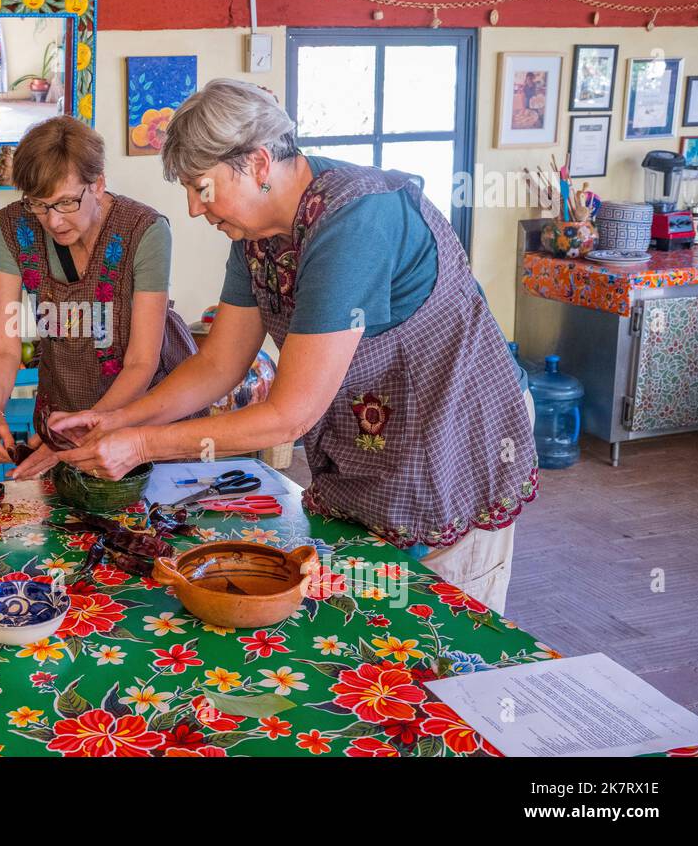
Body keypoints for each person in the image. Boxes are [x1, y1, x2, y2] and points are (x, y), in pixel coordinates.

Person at [53, 78, 536, 615]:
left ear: (259, 163)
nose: (193, 208)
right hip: (379, 437)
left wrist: (142, 446)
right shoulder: (254, 232)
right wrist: (118, 421)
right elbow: (218, 364)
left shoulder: (355, 221)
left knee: (442, 626)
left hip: (456, 431)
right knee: (373, 615)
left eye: (202, 188)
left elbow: (288, 417)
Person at [0, 116, 199, 480]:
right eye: (39, 204)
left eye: (65, 203)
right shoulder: (13, 227)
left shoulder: (145, 231)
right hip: (63, 407)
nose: (53, 221)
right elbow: (3, 345)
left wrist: (81, 432)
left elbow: (141, 362)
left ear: (98, 184)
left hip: (143, 412)